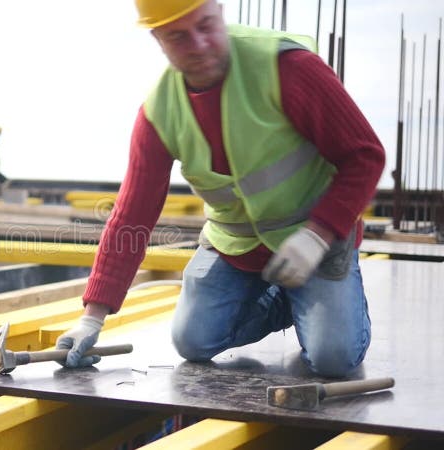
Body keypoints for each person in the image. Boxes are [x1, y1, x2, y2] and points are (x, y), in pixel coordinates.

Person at [55, 0, 385, 378]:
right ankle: (288, 304)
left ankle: (319, 303)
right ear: (157, 39)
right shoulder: (160, 113)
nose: (199, 44)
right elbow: (132, 215)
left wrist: (319, 233)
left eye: (206, 25)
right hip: (237, 247)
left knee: (333, 359)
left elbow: (365, 155)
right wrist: (92, 319)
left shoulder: (287, 70)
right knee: (192, 342)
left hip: (317, 241)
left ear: (220, 10)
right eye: (178, 36)